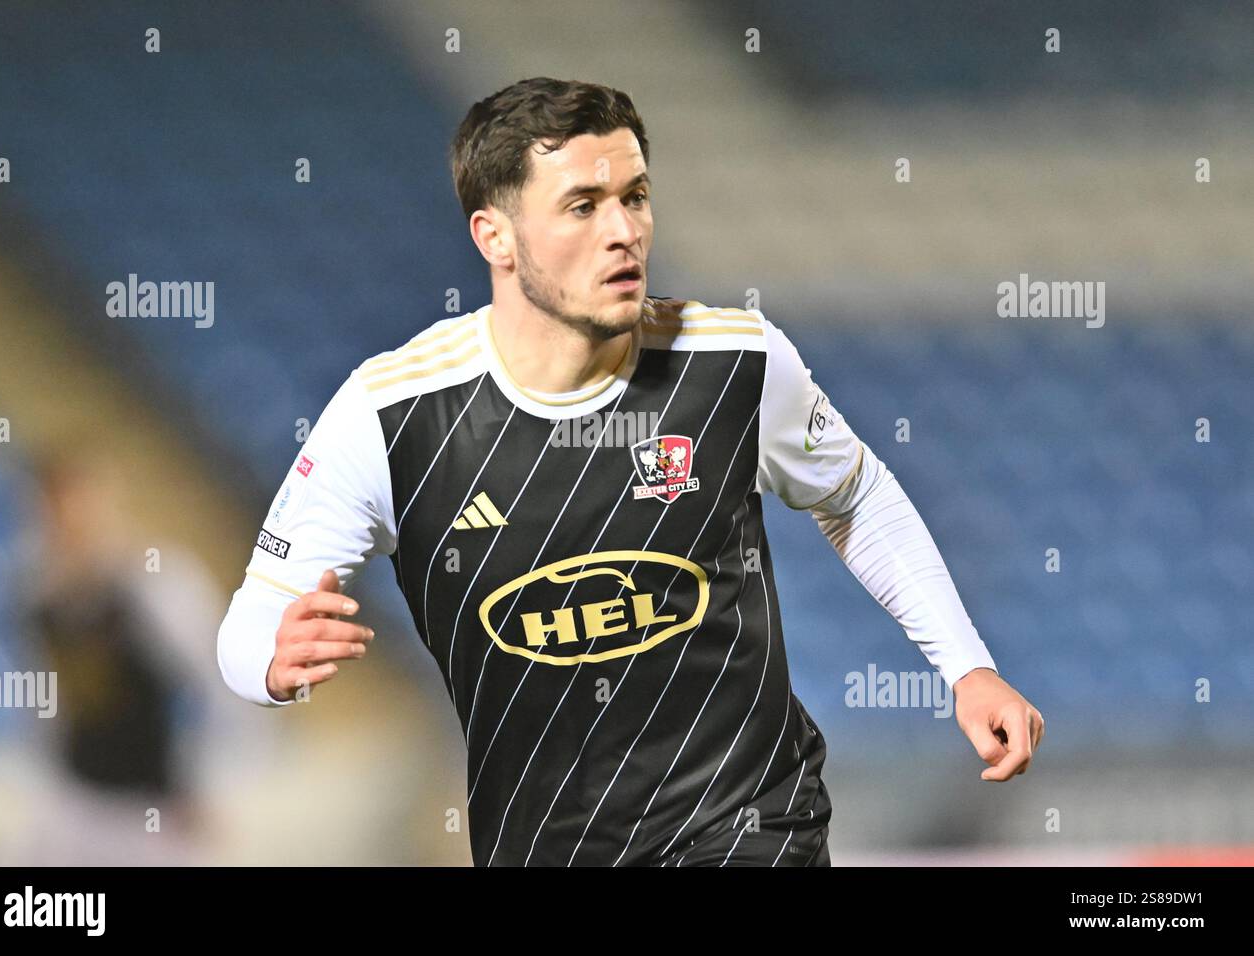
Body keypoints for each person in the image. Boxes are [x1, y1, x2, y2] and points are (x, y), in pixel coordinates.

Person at [217, 76, 1044, 867]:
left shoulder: (734, 362)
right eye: (582, 205)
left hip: (748, 819)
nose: (625, 231)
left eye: (635, 196)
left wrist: (966, 667)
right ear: (493, 236)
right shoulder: (391, 416)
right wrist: (269, 662)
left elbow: (854, 493)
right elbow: (255, 617)